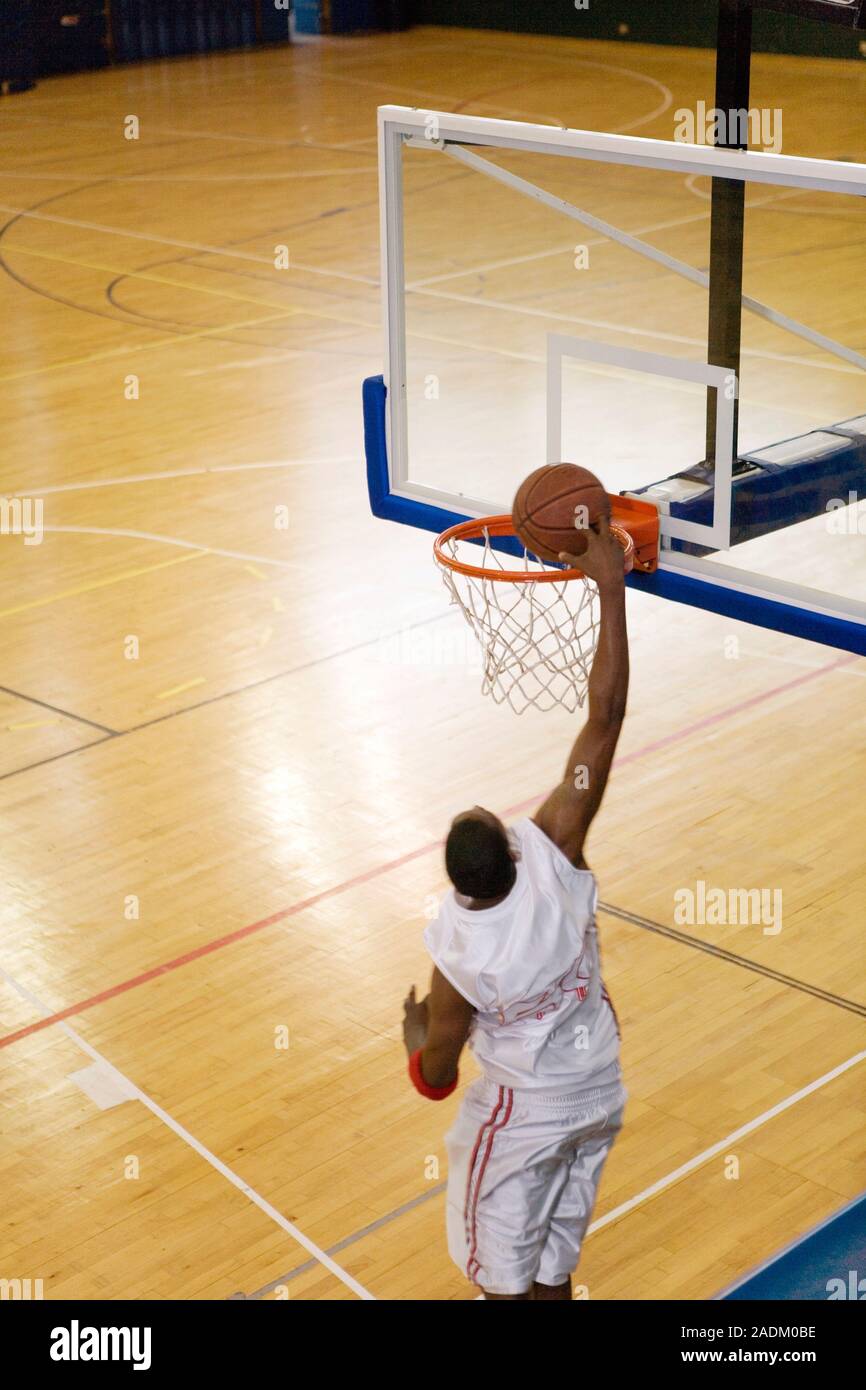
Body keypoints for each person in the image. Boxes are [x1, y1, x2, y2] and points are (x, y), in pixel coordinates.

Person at [403, 520, 628, 1300]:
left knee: (503, 1280)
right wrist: (609, 585)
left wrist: (419, 1045)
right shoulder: (557, 847)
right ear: (510, 843)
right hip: (599, 1085)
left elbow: (438, 1070)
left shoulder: (459, 955)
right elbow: (605, 719)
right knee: (551, 1271)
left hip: (527, 1112)